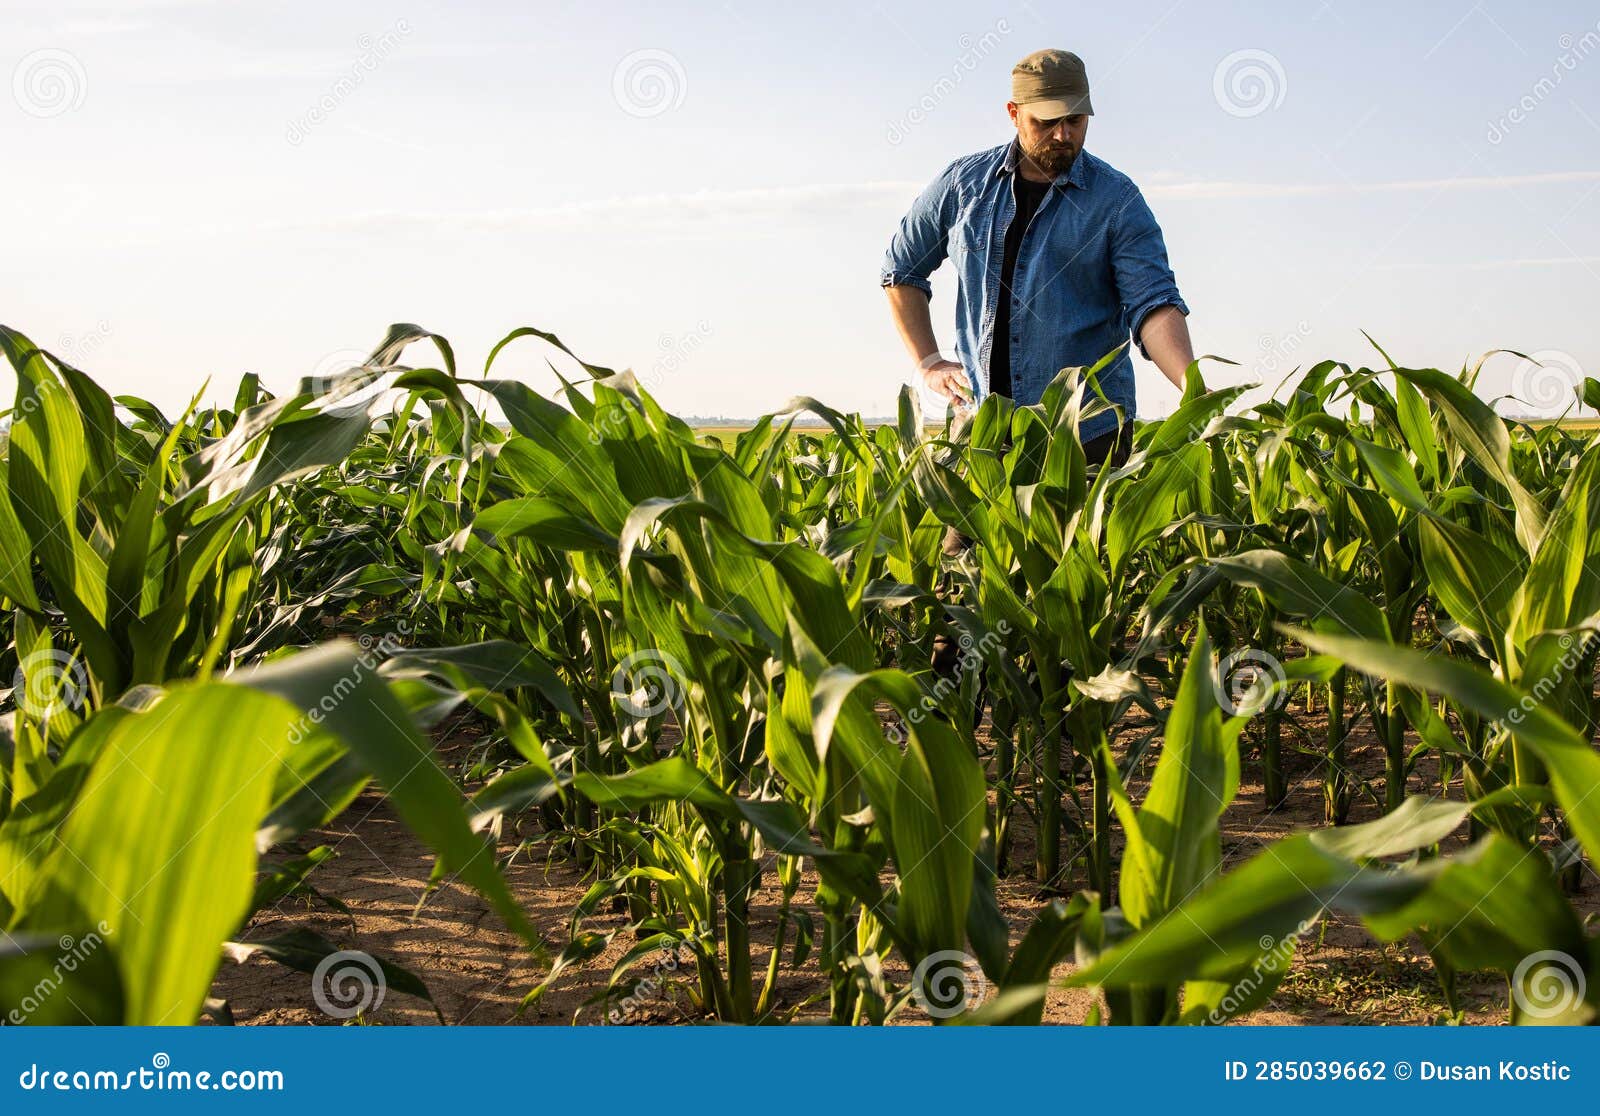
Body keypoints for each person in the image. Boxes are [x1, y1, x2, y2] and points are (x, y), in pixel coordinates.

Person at [880, 48, 1198, 678]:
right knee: (958, 614)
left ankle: (1071, 760)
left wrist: (1195, 387)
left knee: (1075, 626)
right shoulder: (964, 185)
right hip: (984, 438)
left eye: (1076, 120)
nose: (1063, 135)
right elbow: (901, 269)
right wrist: (929, 360)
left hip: (1086, 441)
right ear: (1013, 113)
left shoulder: (1116, 201)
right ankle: (952, 753)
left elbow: (1152, 304)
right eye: (1046, 121)